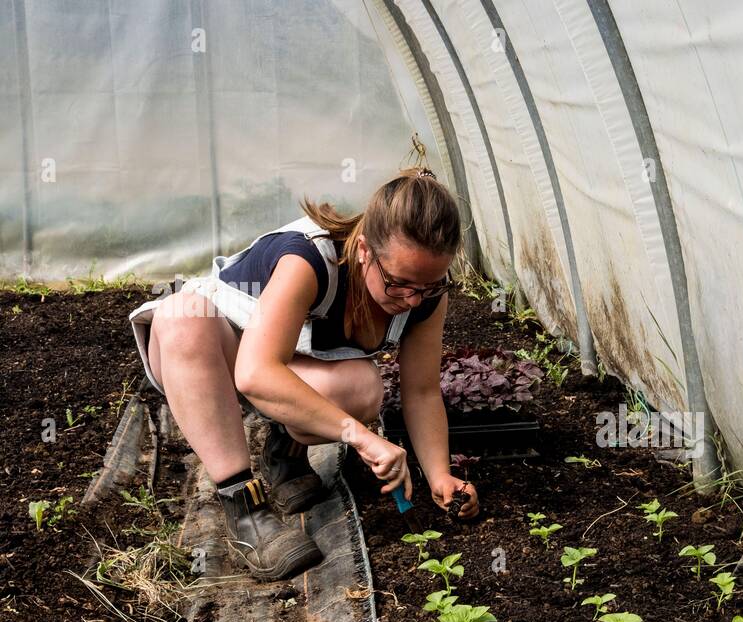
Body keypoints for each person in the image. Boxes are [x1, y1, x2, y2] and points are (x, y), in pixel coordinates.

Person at [128, 166, 480, 582]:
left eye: (428, 286)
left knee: (362, 388)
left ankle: (285, 453)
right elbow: (255, 373)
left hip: (284, 368)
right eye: (399, 283)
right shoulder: (310, 260)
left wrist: (440, 475)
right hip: (211, 357)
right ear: (364, 249)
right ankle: (244, 507)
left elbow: (421, 391)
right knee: (182, 314)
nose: (413, 298)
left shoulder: (424, 295)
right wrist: (360, 437)